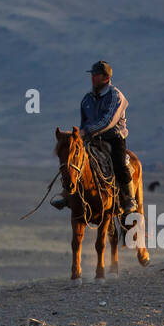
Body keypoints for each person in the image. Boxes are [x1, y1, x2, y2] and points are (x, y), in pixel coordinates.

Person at [51, 60, 136, 215]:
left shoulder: (116, 96)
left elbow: (108, 121)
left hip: (113, 138)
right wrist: (78, 136)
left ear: (106, 77)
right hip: (91, 139)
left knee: (119, 163)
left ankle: (129, 198)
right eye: (92, 75)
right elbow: (83, 123)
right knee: (73, 160)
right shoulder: (87, 99)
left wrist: (86, 132)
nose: (93, 78)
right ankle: (67, 194)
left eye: (96, 75)